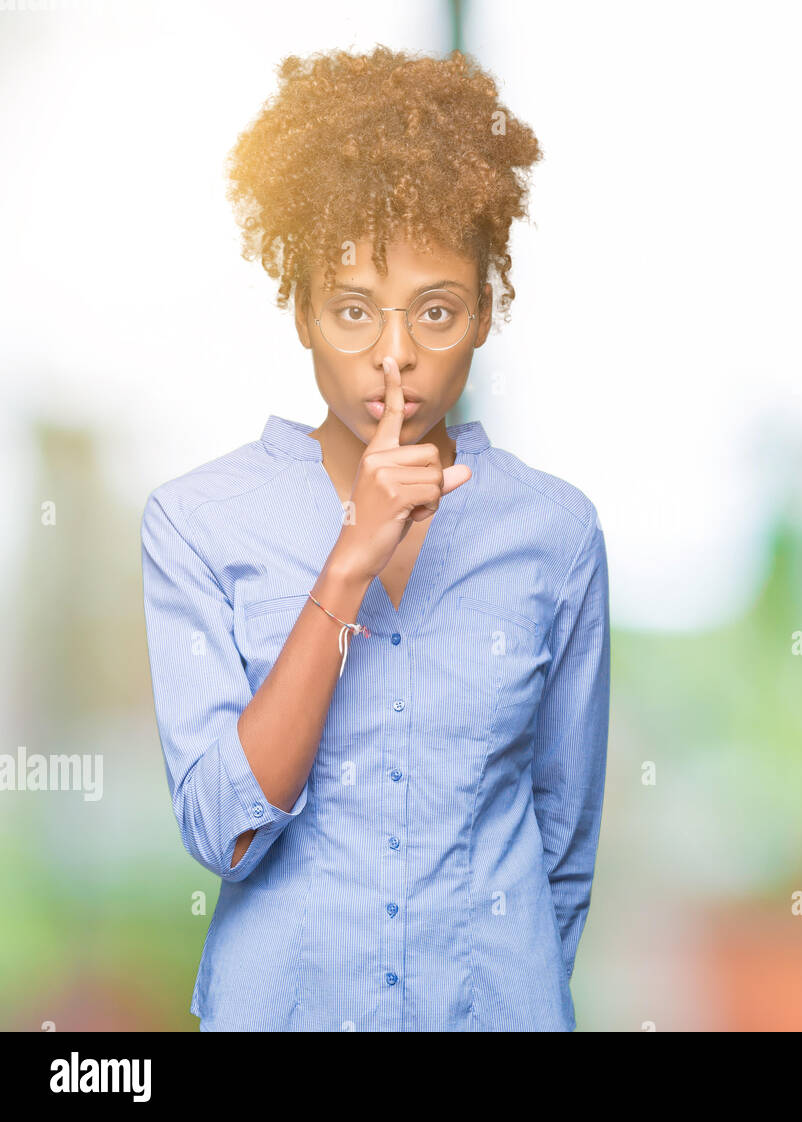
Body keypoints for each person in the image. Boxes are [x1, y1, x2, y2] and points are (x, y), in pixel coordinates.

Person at [139, 46, 610, 1031]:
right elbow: (223, 831)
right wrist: (348, 563)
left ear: (484, 315)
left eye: (434, 311)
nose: (393, 355)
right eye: (353, 309)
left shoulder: (556, 534)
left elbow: (560, 842)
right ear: (302, 311)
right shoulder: (197, 522)